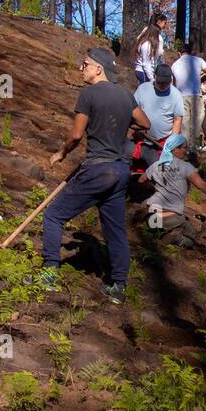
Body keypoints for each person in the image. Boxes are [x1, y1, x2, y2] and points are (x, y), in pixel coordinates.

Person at [38, 48, 151, 304]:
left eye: (85, 64)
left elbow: (77, 135)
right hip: (121, 171)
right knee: (115, 230)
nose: (81, 68)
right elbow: (145, 123)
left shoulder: (88, 94)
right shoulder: (125, 95)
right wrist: (125, 128)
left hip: (97, 169)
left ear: (99, 68)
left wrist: (61, 153)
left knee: (54, 215)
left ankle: (48, 274)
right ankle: (118, 286)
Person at [138, 134, 206, 248]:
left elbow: (141, 180)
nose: (186, 151)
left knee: (156, 227)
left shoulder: (156, 165)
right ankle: (176, 239)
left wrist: (156, 185)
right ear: (175, 149)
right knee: (190, 236)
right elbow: (202, 185)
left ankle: (157, 232)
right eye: (184, 147)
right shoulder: (186, 167)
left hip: (151, 214)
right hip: (171, 218)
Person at [132, 62, 185, 167]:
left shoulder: (176, 95)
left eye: (166, 83)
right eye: (160, 82)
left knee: (158, 168)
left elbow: (177, 120)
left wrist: (171, 143)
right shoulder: (143, 89)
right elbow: (133, 110)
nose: (163, 86)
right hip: (142, 138)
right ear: (155, 77)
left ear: (170, 80)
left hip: (163, 142)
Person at [170, 41, 206, 151]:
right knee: (197, 120)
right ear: (190, 52)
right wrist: (201, 75)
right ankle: (193, 147)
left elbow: (173, 85)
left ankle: (186, 148)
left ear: (179, 53)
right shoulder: (198, 60)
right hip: (196, 96)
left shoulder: (174, 65)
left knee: (184, 123)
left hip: (181, 97)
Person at [132, 11, 168, 83]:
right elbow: (147, 62)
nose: (165, 26)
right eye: (165, 23)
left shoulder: (145, 32)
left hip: (144, 69)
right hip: (144, 70)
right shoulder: (149, 43)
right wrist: (152, 79)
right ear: (159, 21)